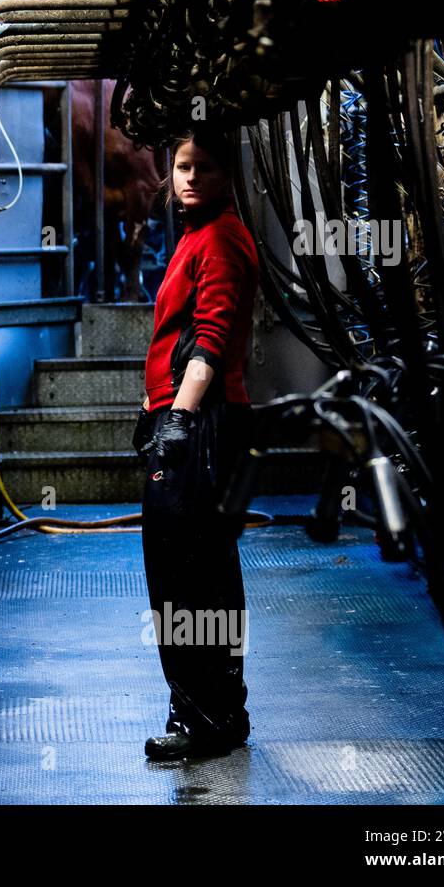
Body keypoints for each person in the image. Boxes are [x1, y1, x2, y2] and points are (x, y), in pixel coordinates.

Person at [131, 127, 259, 761]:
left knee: (189, 576)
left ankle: (204, 717)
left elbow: (209, 341)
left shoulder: (223, 240)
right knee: (192, 572)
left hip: (204, 426)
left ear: (227, 176)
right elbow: (177, 339)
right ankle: (214, 711)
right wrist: (153, 410)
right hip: (189, 420)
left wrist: (176, 421)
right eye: (181, 165)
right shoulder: (195, 238)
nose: (188, 178)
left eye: (203, 168)